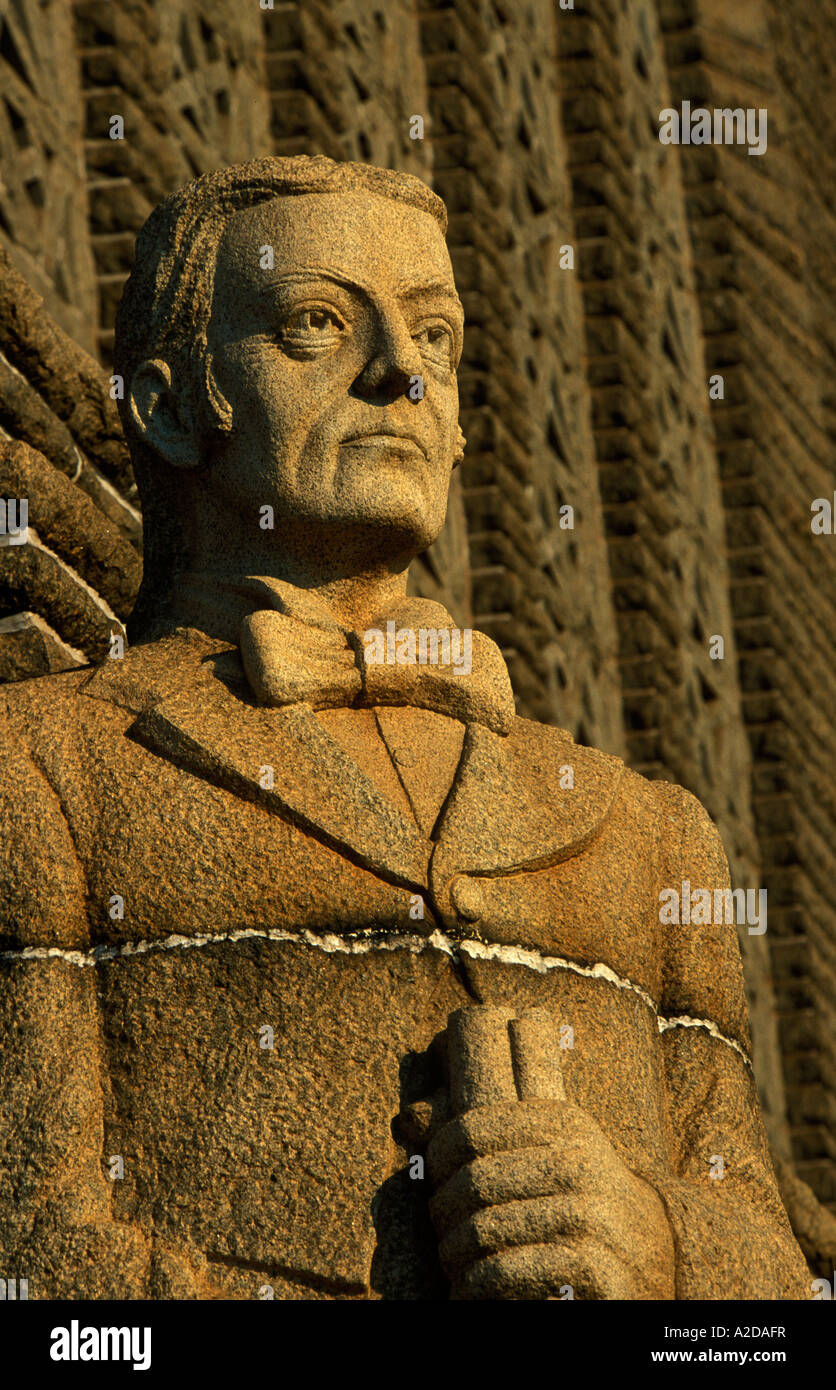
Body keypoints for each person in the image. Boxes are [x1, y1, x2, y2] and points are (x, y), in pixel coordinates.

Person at [0, 157, 808, 1299]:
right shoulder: (38, 767)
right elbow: (35, 1264)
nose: (399, 376)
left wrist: (655, 1243)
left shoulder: (651, 834)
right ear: (173, 407)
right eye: (317, 324)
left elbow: (771, 1280)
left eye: (435, 339)